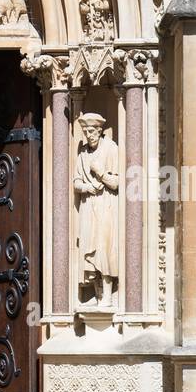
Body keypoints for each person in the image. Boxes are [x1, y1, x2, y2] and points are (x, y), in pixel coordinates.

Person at [73, 112, 119, 308]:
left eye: (91, 131)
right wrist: (87, 187)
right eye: (85, 131)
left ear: (99, 131)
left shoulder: (111, 149)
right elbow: (76, 183)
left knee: (104, 249)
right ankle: (97, 293)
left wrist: (100, 173)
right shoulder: (82, 154)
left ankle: (108, 295)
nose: (88, 135)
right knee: (87, 248)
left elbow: (116, 183)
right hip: (88, 205)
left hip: (106, 205)